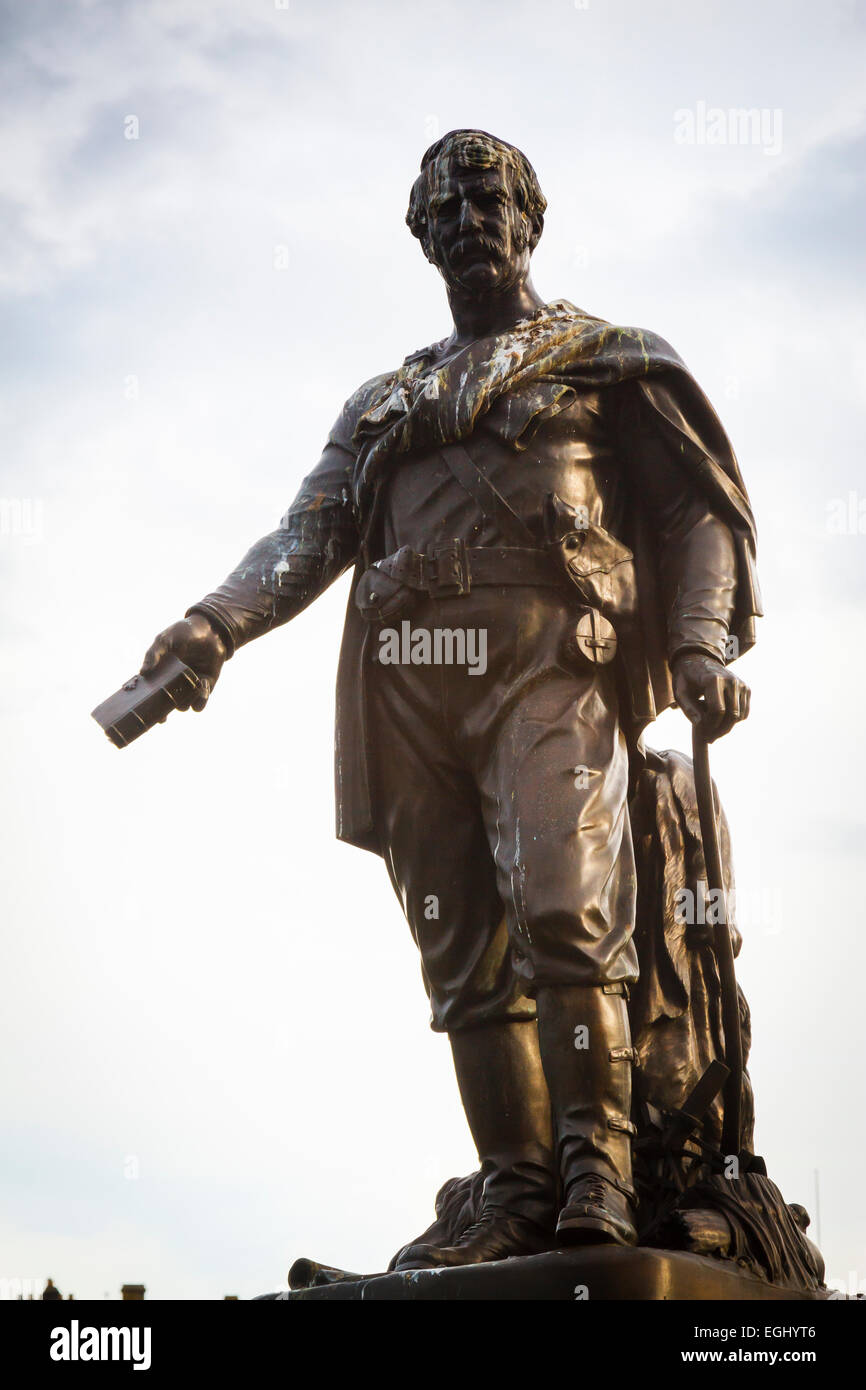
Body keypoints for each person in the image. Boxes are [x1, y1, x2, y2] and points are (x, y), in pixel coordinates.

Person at [140, 130, 759, 1268]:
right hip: (409, 680)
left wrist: (701, 643)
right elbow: (306, 536)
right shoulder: (383, 403)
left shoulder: (604, 358)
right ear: (420, 234)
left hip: (547, 663)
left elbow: (693, 512)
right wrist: (211, 624)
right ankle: (517, 1187)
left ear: (528, 218)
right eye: (445, 202)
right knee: (460, 952)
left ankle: (597, 1175)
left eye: (488, 195)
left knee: (567, 909)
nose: (468, 213)